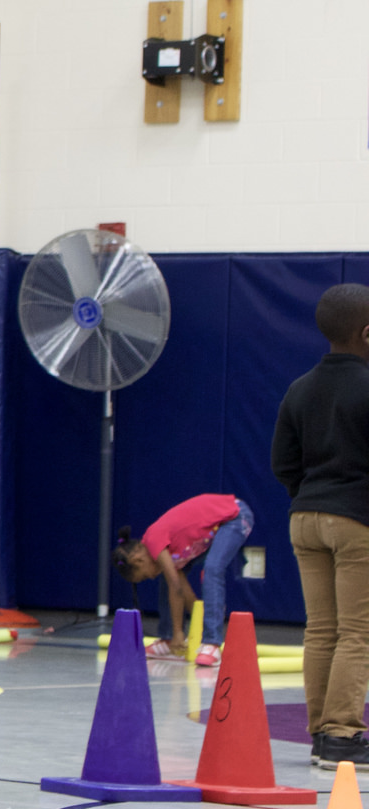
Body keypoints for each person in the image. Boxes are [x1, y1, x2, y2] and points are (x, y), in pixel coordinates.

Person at [273, 282, 369, 770]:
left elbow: (282, 463)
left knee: (321, 629)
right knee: (358, 631)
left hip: (303, 519)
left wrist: (310, 498)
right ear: (367, 333)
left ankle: (319, 734)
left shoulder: (300, 387)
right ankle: (343, 735)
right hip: (355, 520)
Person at [113, 493, 254, 666]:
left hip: (235, 516)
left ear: (138, 560)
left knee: (212, 569)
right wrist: (194, 628)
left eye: (145, 576)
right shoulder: (163, 552)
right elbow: (184, 592)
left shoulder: (154, 540)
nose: (151, 577)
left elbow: (176, 587)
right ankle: (168, 639)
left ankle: (212, 643)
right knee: (170, 577)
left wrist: (180, 632)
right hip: (215, 529)